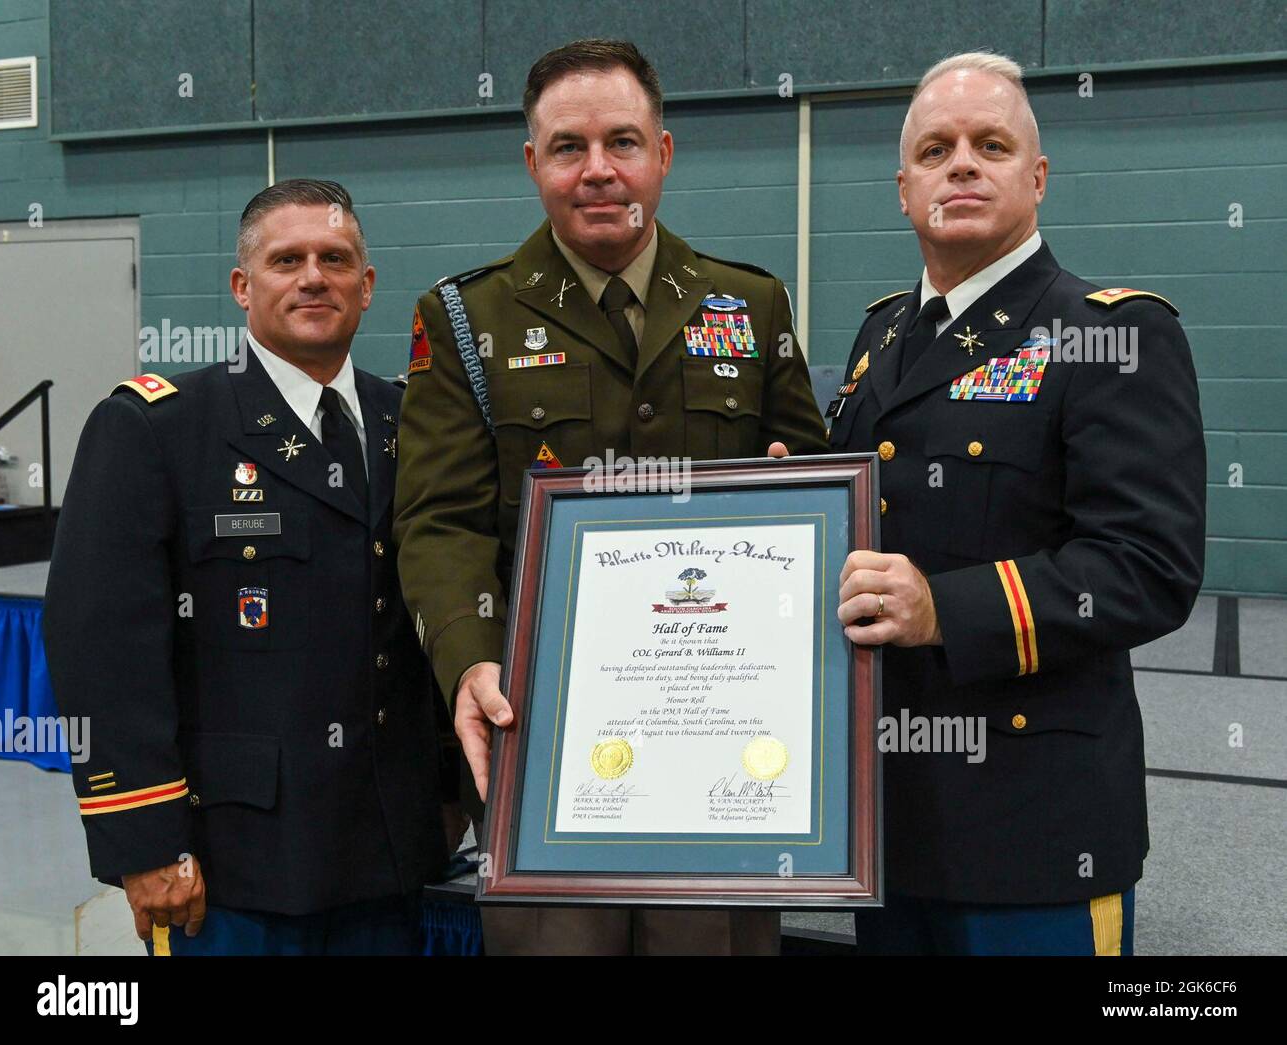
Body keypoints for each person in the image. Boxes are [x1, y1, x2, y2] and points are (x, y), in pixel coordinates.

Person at [394, 39, 828, 955]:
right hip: (543, 742)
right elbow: (439, 522)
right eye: (568, 147)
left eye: (622, 141)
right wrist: (472, 665)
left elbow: (816, 484)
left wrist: (796, 511)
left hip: (722, 742)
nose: (598, 169)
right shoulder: (467, 320)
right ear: (533, 163)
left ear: (661, 153)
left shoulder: (750, 305)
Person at [825, 52, 1205, 955]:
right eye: (935, 150)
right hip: (884, 819)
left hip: (1035, 826)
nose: (961, 164)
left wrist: (942, 610)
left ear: (1036, 177)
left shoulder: (1110, 333)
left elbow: (1147, 566)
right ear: (904, 189)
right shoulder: (882, 333)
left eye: (990, 145)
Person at [44, 179, 452, 955]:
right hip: (230, 865)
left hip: (387, 854)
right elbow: (99, 648)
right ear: (241, 285)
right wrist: (145, 839)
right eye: (286, 260)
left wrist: (449, 790)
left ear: (367, 285)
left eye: (335, 259)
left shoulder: (412, 424)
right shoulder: (156, 427)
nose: (313, 277)